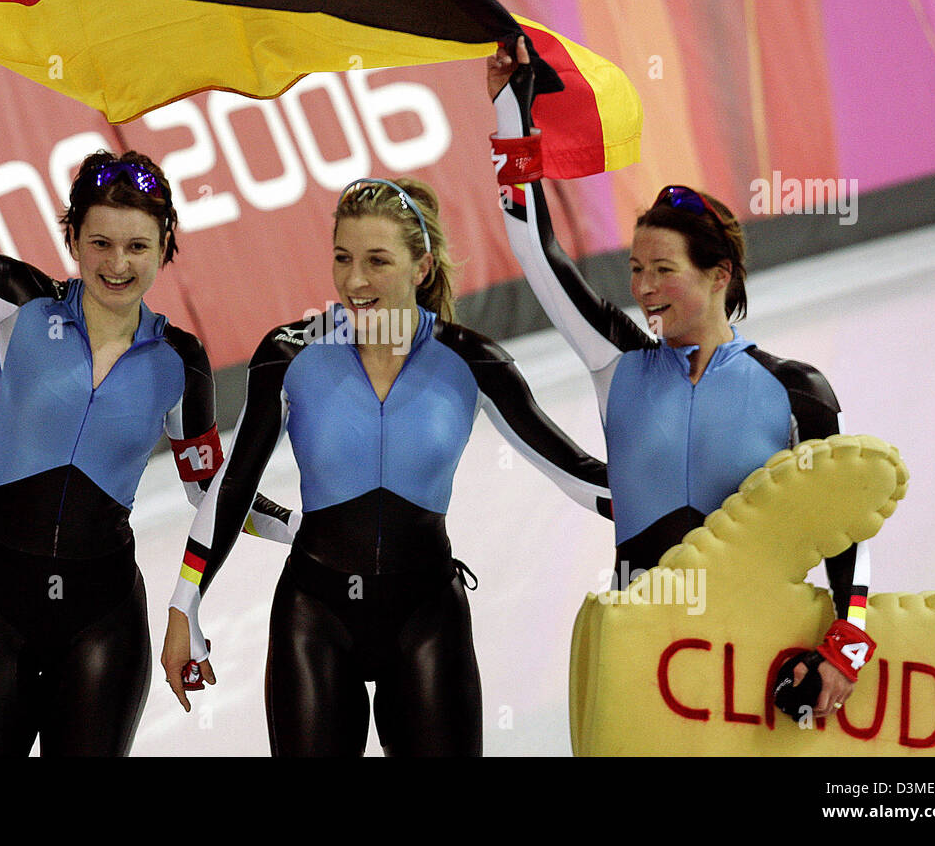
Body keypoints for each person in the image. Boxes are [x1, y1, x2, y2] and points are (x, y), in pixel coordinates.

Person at [0, 28, 295, 756]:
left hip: (103, 626)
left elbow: (213, 492)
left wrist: (307, 529)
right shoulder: (19, 302)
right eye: (100, 242)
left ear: (166, 245)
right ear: (73, 237)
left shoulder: (181, 361)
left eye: (137, 246)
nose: (117, 263)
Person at [485, 38, 875, 720]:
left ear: (718, 274)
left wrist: (848, 649)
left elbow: (847, 531)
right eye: (636, 269)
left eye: (664, 269)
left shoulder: (797, 391)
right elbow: (534, 248)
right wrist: (509, 109)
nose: (643, 288)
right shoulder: (618, 362)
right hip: (643, 659)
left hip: (757, 662)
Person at [159, 176, 612, 756]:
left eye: (377, 261)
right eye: (343, 258)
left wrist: (674, 504)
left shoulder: (473, 362)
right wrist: (183, 606)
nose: (354, 281)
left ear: (421, 267)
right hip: (314, 618)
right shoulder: (290, 354)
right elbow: (232, 487)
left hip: (425, 618)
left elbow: (573, 471)